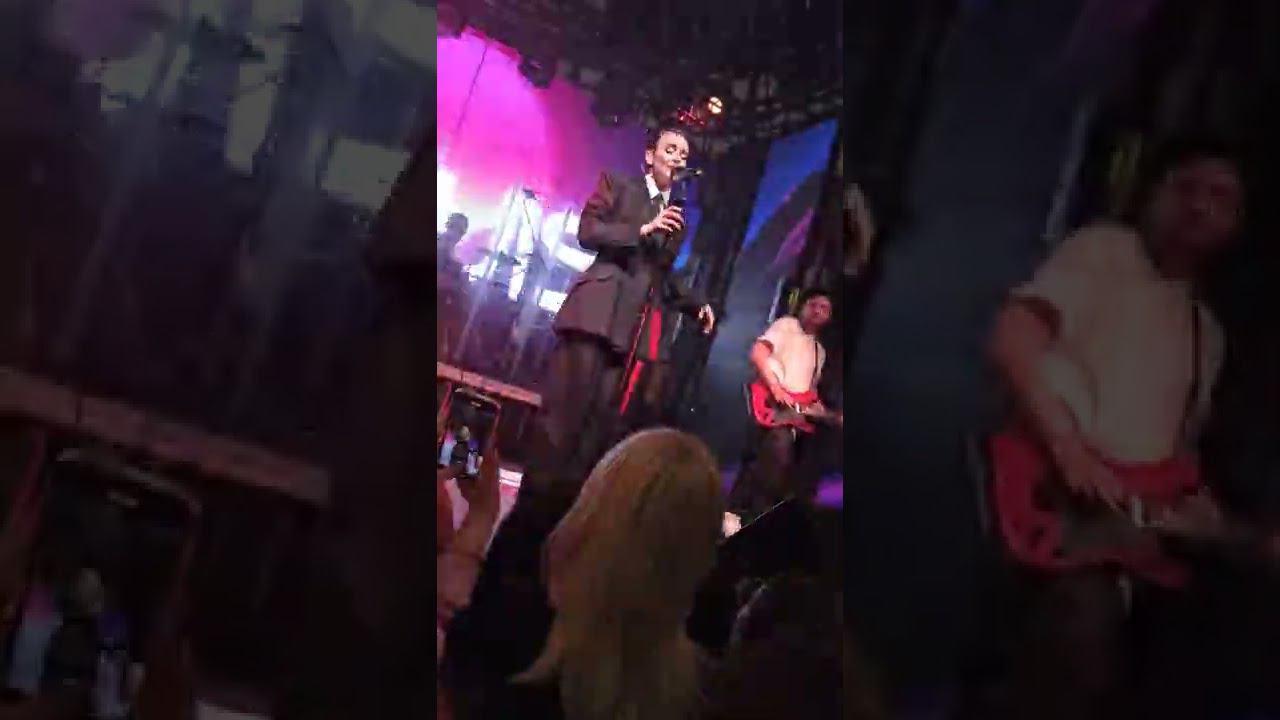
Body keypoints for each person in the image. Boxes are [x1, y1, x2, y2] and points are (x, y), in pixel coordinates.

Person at [987, 138, 1244, 719]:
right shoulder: (1105, 252)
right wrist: (1070, 450)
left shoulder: (1207, 332)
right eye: (1186, 187)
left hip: (1136, 520)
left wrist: (1205, 516)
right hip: (1061, 502)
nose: (1199, 206)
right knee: (1080, 630)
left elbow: (1177, 452)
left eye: (1220, 197)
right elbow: (1013, 335)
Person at [530, 126, 717, 499]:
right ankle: (532, 507)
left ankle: (571, 508)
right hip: (594, 313)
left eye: (684, 154)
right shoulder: (618, 185)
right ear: (649, 156)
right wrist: (643, 228)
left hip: (630, 328)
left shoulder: (676, 217)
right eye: (671, 149)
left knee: (600, 425)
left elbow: (661, 274)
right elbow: (588, 231)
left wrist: (696, 303)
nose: (678, 158)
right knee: (564, 415)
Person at [727, 287, 839, 527]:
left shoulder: (819, 352)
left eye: (824, 308)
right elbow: (758, 353)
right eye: (813, 305)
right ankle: (742, 513)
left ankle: (763, 515)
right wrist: (776, 389)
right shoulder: (787, 326)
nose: (817, 311)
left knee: (794, 461)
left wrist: (829, 415)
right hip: (772, 404)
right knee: (774, 452)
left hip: (793, 415)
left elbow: (809, 394)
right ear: (803, 306)